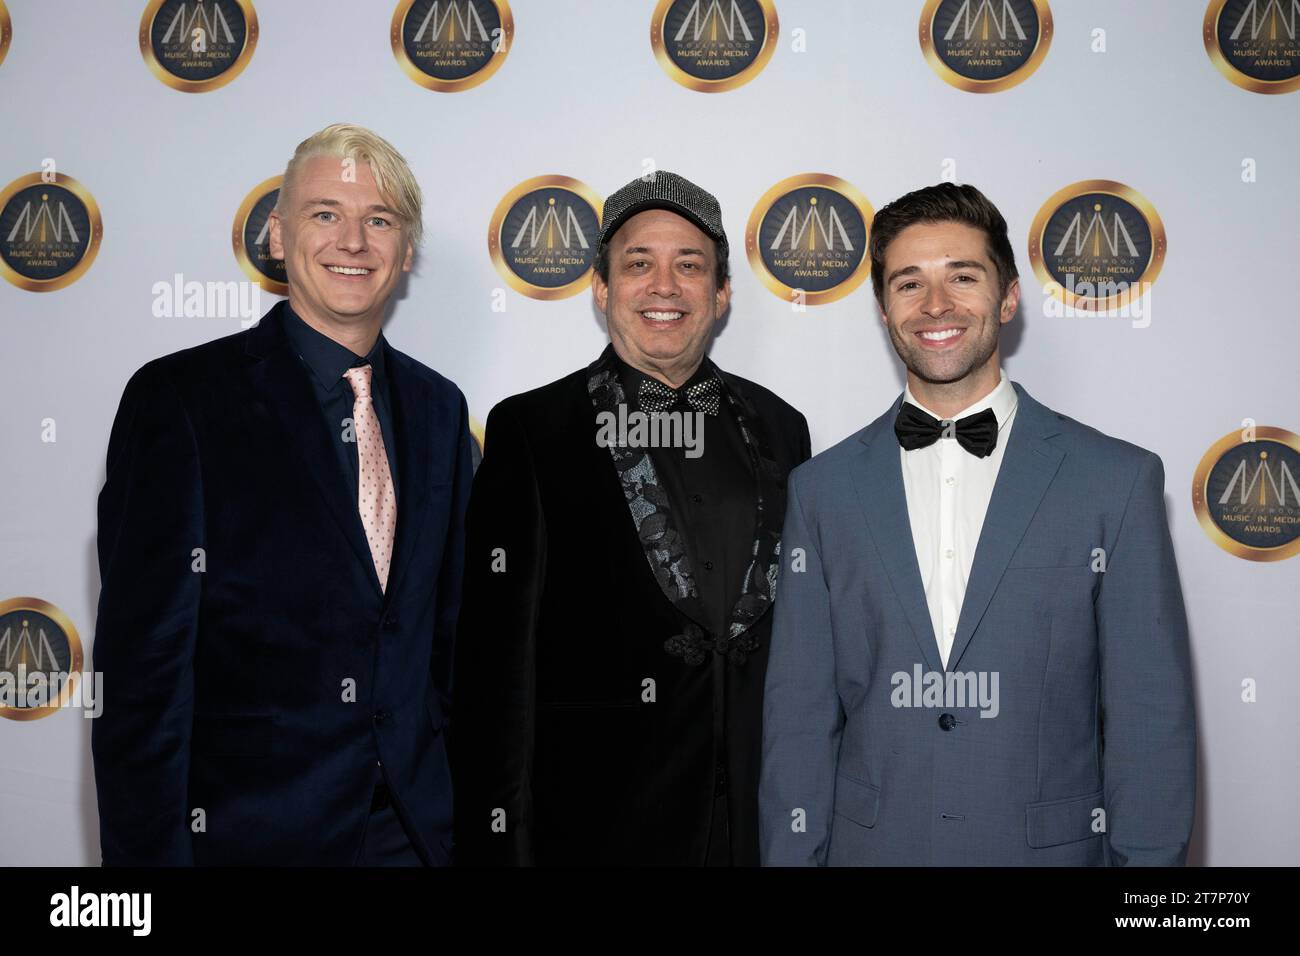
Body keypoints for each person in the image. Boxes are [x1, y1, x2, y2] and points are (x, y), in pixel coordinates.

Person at [759, 182, 1195, 866]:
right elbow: (799, 721)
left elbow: (1148, 720)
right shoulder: (822, 491)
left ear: (1009, 297)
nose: (936, 305)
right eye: (910, 283)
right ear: (883, 309)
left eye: (963, 276)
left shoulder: (1117, 481)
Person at [91, 124, 472, 865]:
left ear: (404, 249)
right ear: (276, 234)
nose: (354, 241)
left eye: (381, 220)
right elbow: (144, 681)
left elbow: (450, 645)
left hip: (415, 839)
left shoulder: (439, 410)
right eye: (326, 214)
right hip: (248, 841)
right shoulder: (183, 401)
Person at [452, 172, 811, 865]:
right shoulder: (534, 431)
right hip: (597, 833)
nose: (665, 287)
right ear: (601, 290)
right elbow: (498, 680)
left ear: (722, 293)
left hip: (755, 832)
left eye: (690, 266)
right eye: (638, 264)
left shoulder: (781, 426)